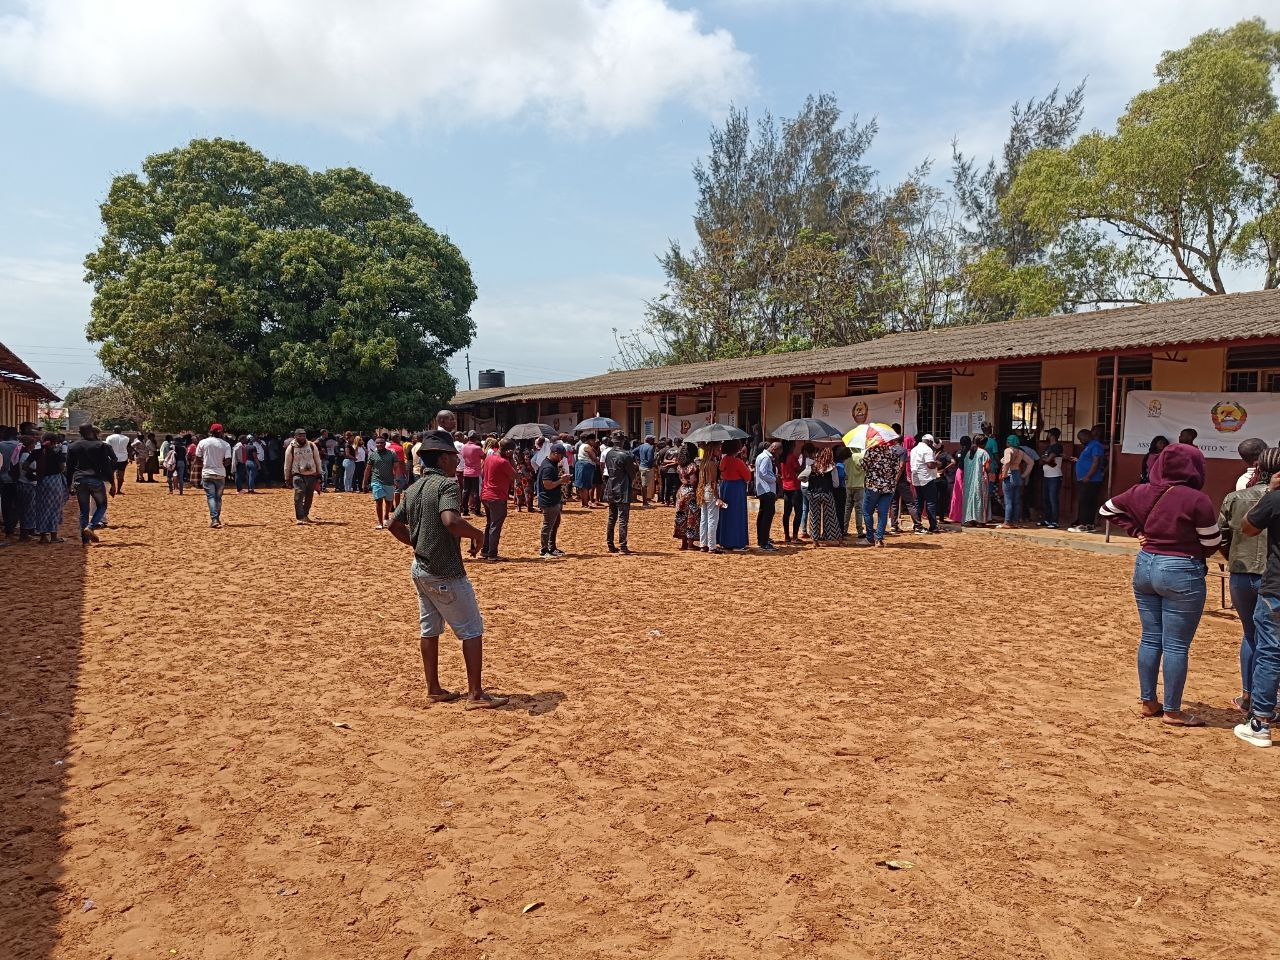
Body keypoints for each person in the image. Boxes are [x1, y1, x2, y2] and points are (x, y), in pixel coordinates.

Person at [1100, 443, 1219, 727]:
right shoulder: (1197, 499)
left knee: (1151, 637)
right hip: (1181, 569)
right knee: (1177, 645)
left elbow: (1106, 510)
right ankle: (1173, 711)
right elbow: (1212, 542)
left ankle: (1148, 701)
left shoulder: (1139, 490)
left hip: (1145, 565)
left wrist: (1136, 531)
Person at [385, 432, 507, 710]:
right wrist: (478, 535)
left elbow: (392, 523)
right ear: (442, 458)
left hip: (420, 568)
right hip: (445, 571)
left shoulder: (414, 488)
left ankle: (434, 689)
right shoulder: (446, 486)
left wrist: (416, 542)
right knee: (472, 630)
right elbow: (451, 520)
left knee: (429, 630)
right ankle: (475, 694)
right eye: (454, 456)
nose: (458, 460)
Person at [1219, 453, 1272, 715]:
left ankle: (1248, 696)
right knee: (1271, 639)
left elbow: (1223, 536)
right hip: (1272, 576)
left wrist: (1234, 557)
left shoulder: (1234, 498)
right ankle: (1267, 701)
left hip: (1241, 573)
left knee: (1250, 634)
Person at [1237, 447, 1280, 747]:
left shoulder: (1276, 499)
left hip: (1276, 587)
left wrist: (1270, 493)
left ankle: (1260, 721)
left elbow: (1248, 527)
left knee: (1270, 651)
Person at [66, 424, 115, 545]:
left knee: (83, 511)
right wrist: (112, 482)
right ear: (93, 431)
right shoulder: (101, 446)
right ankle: (91, 526)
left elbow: (69, 468)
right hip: (95, 480)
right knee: (102, 505)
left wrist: (68, 484)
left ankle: (85, 541)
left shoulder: (72, 446)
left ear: (79, 432)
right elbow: (107, 465)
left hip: (79, 480)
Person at [27, 433, 68, 544]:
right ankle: (54, 536)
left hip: (41, 481)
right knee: (55, 508)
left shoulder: (36, 452)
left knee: (41, 508)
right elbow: (61, 468)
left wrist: (36, 473)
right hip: (55, 482)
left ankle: (43, 537)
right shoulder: (57, 452)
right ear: (55, 442)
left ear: (43, 440)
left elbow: (25, 466)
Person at [604, 433, 640, 553]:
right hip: (623, 488)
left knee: (612, 517)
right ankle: (623, 546)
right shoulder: (625, 455)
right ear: (623, 441)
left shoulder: (609, 453)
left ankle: (610, 544)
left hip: (611, 486)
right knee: (623, 518)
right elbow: (632, 473)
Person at [480, 439, 516, 560]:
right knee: (495, 525)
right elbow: (516, 476)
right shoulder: (504, 462)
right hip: (497, 497)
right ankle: (492, 554)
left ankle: (485, 550)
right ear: (508, 450)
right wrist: (511, 459)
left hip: (485, 495)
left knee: (490, 523)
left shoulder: (489, 457)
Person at [861, 434, 899, 547]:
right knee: (883, 513)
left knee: (867, 511)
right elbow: (896, 469)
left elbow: (864, 467)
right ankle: (879, 539)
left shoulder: (871, 451)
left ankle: (869, 537)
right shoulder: (892, 452)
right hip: (888, 487)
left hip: (873, 486)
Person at [195, 424, 233, 528]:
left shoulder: (202, 442)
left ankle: (214, 519)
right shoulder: (225, 444)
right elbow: (228, 461)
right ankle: (217, 518)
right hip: (220, 474)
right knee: (218, 498)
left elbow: (197, 458)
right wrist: (220, 464)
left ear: (211, 432)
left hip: (207, 473)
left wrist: (206, 462)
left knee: (211, 497)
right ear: (221, 432)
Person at [1068, 428, 1106, 532]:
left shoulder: (1095, 445)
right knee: (1087, 502)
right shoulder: (1089, 446)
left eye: (1081, 439)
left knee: (1085, 502)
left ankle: (1084, 524)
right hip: (1086, 479)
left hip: (1091, 480)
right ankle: (1088, 524)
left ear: (1086, 436)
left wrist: (1088, 476)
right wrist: (1079, 460)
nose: (1080, 441)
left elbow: (1096, 461)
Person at [537, 443, 571, 557]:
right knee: (548, 525)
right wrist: (561, 481)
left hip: (553, 499)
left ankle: (552, 547)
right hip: (548, 500)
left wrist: (561, 479)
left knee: (554, 524)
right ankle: (544, 549)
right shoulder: (548, 467)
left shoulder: (551, 464)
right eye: (561, 456)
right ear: (555, 454)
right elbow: (547, 485)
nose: (562, 459)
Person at [717, 440, 751, 551]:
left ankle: (725, 541)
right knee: (737, 515)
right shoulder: (737, 462)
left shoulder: (723, 460)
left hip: (726, 487)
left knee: (726, 514)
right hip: (736, 488)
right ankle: (737, 542)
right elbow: (747, 477)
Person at [284, 428, 323, 525]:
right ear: (295, 436)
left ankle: (305, 515)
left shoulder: (311, 445)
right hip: (298, 474)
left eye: (304, 435)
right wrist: (287, 477)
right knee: (299, 495)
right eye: (300, 436)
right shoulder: (291, 448)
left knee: (309, 497)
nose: (302, 437)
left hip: (312, 475)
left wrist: (319, 473)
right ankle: (300, 517)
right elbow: (287, 464)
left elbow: (317, 460)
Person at [909, 433, 942, 533]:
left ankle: (917, 525)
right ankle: (933, 526)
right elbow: (930, 465)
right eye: (931, 443)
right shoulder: (927, 450)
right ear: (929, 441)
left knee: (918, 502)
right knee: (931, 502)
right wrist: (938, 463)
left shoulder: (914, 449)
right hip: (926, 478)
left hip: (916, 478)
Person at [806, 446, 839, 545]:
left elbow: (802, 477)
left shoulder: (812, 465)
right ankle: (831, 536)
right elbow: (836, 484)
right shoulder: (832, 467)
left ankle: (815, 539)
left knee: (814, 517)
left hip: (814, 493)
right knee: (831, 516)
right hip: (827, 493)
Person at [365, 435, 399, 529]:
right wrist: (364, 482)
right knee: (378, 500)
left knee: (388, 502)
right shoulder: (372, 455)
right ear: (375, 444)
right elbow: (368, 469)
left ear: (385, 444)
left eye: (381, 442)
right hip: (376, 480)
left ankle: (386, 516)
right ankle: (380, 523)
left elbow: (396, 467)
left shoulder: (392, 454)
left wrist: (396, 479)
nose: (379, 444)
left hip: (389, 481)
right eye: (377, 443)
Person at [696, 441, 725, 553]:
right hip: (710, 490)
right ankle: (712, 546)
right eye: (718, 449)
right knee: (712, 519)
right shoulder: (711, 463)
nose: (719, 451)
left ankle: (703, 544)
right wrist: (717, 496)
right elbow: (713, 482)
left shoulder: (703, 462)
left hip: (702, 490)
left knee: (704, 519)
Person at [998, 435, 1032, 528]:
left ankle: (1007, 522)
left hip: (1009, 475)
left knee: (1008, 500)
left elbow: (1008, 461)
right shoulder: (1020, 452)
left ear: (1009, 442)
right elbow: (1031, 462)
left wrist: (1004, 474)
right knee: (1017, 500)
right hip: (1017, 475)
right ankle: (1016, 521)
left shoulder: (1008, 450)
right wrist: (1024, 475)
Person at [672, 442, 700, 550]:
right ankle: (690, 544)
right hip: (690, 493)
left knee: (682, 516)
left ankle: (683, 543)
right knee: (691, 517)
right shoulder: (692, 466)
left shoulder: (679, 466)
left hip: (681, 491)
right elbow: (693, 481)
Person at [961, 434, 991, 526]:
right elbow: (987, 467)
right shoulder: (983, 453)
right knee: (980, 498)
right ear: (983, 444)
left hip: (969, 481)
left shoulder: (968, 453)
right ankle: (980, 520)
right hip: (980, 480)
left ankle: (969, 520)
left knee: (969, 498)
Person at [754, 441, 779, 551]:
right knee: (767, 516)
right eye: (779, 451)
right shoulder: (765, 458)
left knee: (763, 515)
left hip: (764, 489)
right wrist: (774, 479)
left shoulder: (762, 456)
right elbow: (763, 473)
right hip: (767, 490)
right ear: (774, 449)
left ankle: (762, 540)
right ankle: (764, 542)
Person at [779, 442, 804, 544]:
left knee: (787, 512)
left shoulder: (782, 458)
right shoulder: (792, 457)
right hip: (795, 486)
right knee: (798, 512)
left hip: (786, 486)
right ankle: (794, 536)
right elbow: (799, 469)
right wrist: (804, 462)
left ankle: (786, 536)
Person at [1038, 429, 1064, 529]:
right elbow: (1043, 461)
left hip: (1055, 476)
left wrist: (1045, 459)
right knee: (1046, 499)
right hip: (1047, 476)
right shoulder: (1049, 447)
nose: (1047, 435)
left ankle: (1055, 521)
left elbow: (1048, 459)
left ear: (1052, 435)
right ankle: (1047, 519)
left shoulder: (1057, 446)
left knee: (1053, 499)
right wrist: (1045, 459)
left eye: (1048, 433)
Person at [845, 443, 866, 540]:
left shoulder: (847, 458)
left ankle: (844, 529)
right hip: (859, 485)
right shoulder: (861, 456)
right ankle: (860, 531)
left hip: (848, 485)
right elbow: (865, 468)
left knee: (847, 508)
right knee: (859, 509)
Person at [459, 433, 483, 515]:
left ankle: (465, 510)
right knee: (476, 492)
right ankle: (477, 510)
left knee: (466, 491)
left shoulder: (463, 447)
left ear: (468, 438)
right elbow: (484, 457)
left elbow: (462, 455)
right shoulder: (477, 448)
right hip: (475, 473)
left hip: (466, 472)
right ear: (475, 438)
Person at [574, 433, 599, 509]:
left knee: (582, 486)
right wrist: (598, 460)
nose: (595, 442)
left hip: (581, 465)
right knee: (585, 486)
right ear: (590, 440)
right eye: (594, 440)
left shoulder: (582, 445)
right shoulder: (587, 447)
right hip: (586, 466)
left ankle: (584, 503)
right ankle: (585, 503)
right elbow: (594, 458)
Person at [105, 427, 130, 495]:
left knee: (111, 474)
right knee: (121, 475)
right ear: (121, 431)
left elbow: (107, 447)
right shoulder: (126, 438)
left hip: (112, 458)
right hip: (123, 458)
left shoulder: (109, 437)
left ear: (113, 430)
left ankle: (112, 488)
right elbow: (129, 448)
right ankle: (118, 490)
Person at [633, 434, 656, 507]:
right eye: (652, 439)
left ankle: (645, 501)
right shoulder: (650, 447)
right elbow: (650, 459)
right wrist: (653, 464)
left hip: (641, 466)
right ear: (649, 440)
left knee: (643, 484)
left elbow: (633, 452)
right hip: (647, 468)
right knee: (645, 485)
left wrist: (638, 460)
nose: (654, 441)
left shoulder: (641, 446)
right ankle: (645, 502)